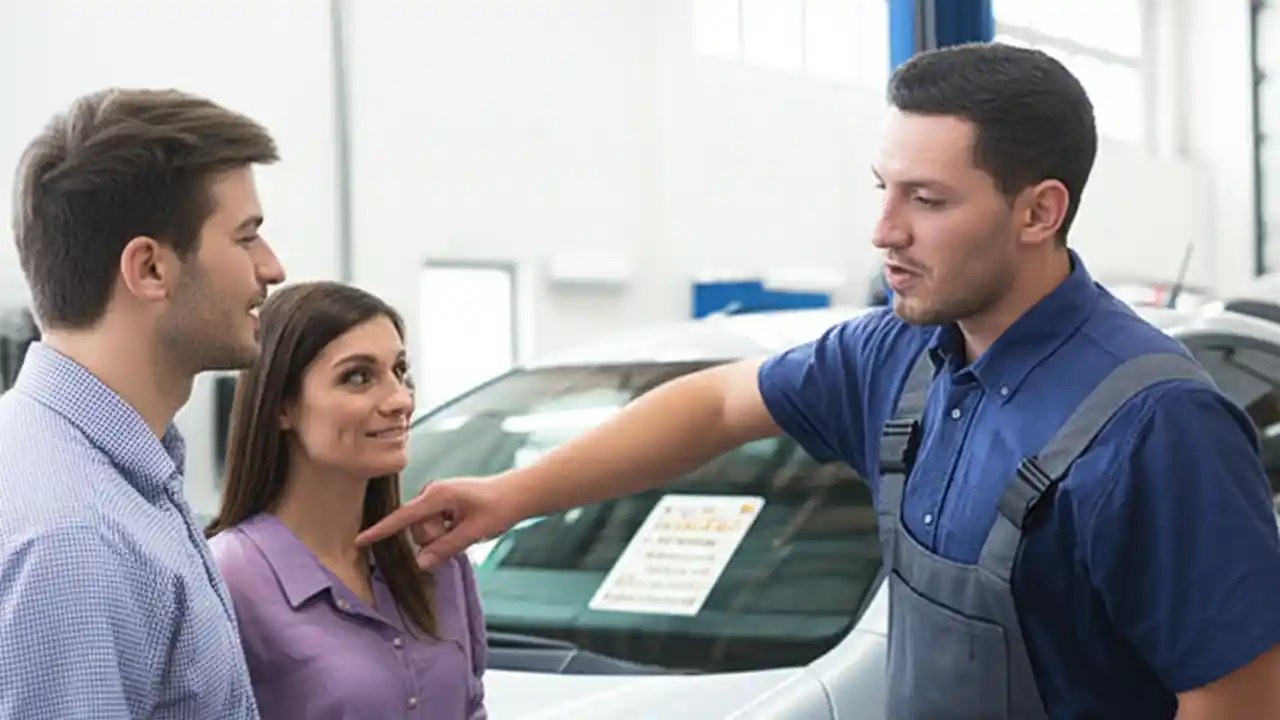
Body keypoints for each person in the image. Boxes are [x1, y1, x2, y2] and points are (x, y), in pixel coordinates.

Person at [358, 42, 1280, 718]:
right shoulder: (894, 358)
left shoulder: (1157, 427)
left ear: (1040, 210)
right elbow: (716, 404)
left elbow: (1235, 703)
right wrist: (513, 496)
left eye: (927, 199)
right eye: (882, 187)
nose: (884, 230)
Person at [0, 88, 285, 717]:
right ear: (150, 269)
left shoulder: (116, 479)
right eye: (246, 238)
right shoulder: (75, 539)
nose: (273, 268)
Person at [206, 281, 488, 720]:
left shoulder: (434, 555)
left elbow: (471, 707)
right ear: (282, 406)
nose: (400, 400)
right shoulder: (228, 578)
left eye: (399, 371)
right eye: (358, 377)